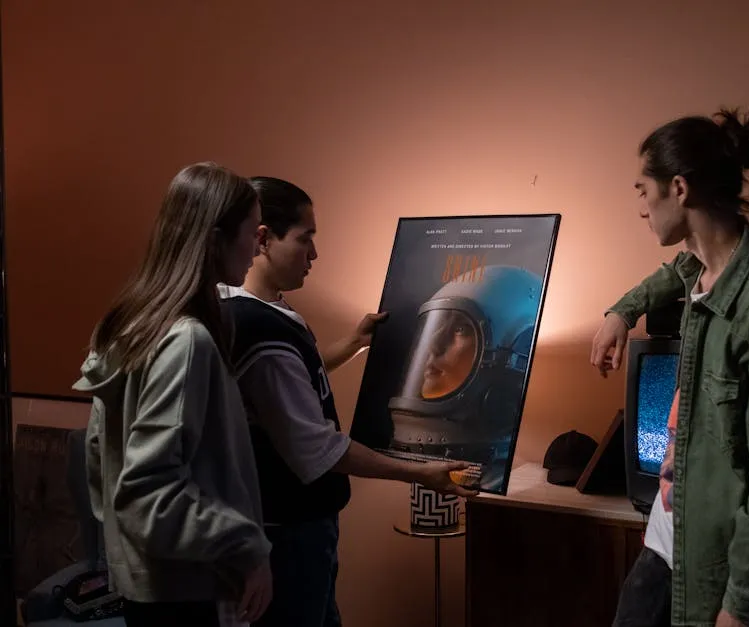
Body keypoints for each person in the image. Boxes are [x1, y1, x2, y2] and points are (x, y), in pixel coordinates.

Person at [591, 107, 749, 627]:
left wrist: (739, 610)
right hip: (665, 540)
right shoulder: (704, 263)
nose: (639, 207)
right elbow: (675, 271)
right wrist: (621, 312)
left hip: (716, 574)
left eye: (640, 189)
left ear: (678, 188)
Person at [218, 176, 477, 627]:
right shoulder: (258, 328)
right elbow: (317, 448)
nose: (314, 254)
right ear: (263, 238)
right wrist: (419, 473)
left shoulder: (257, 311)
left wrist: (352, 344)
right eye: (306, 238)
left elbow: (289, 385)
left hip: (295, 529)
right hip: (287, 534)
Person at [73, 163, 274, 627]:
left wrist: (130, 554)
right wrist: (248, 548)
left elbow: (99, 455)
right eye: (251, 232)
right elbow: (149, 491)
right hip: (190, 592)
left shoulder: (127, 328)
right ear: (218, 237)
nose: (256, 247)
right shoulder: (187, 341)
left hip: (150, 587)